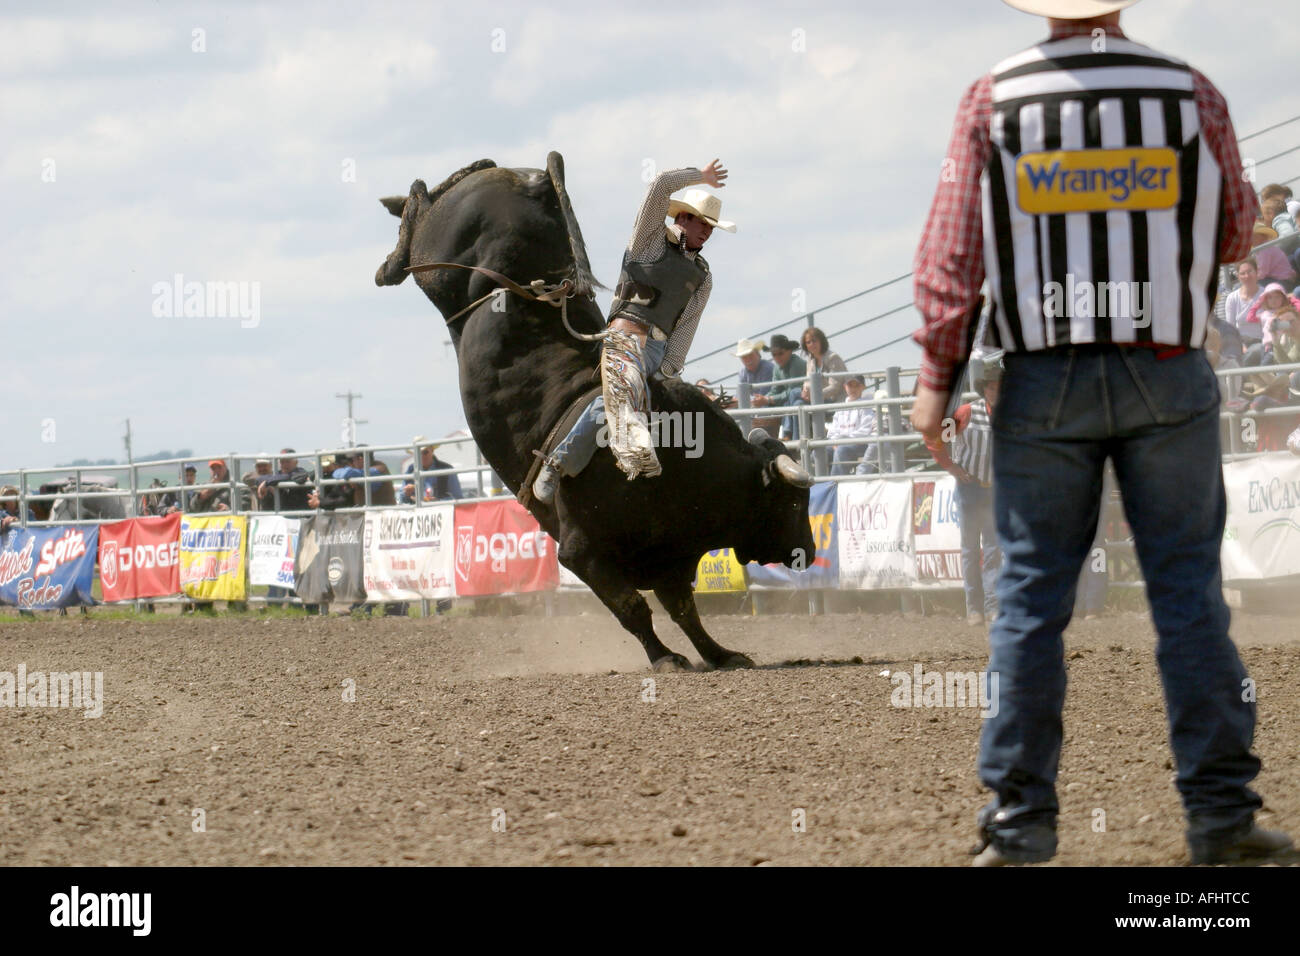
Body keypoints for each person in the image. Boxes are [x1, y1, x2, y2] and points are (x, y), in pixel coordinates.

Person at [910, 0, 1290, 866]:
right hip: (1165, 365)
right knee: (1189, 595)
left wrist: (936, 378)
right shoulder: (1190, 91)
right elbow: (1237, 225)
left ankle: (1017, 826)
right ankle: (1222, 818)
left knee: (1030, 598)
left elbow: (952, 256)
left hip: (1044, 375)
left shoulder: (990, 100)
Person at [532, 160, 732, 503]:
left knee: (648, 404)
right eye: (702, 223)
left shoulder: (702, 275)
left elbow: (686, 325)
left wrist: (669, 370)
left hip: (655, 352)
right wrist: (701, 176)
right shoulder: (648, 243)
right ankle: (557, 464)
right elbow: (658, 186)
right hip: (623, 337)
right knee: (622, 397)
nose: (707, 233)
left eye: (711, 227)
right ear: (682, 218)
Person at [923, 353, 1001, 627]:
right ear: (985, 389)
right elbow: (934, 437)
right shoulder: (967, 412)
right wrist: (952, 467)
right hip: (970, 489)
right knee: (971, 548)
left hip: (994, 490)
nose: (996, 390)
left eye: (999, 385)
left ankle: (991, 606)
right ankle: (974, 607)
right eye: (991, 386)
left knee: (992, 550)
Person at [750, 334, 807, 441]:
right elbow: (775, 390)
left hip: (804, 398)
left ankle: (788, 436)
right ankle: (767, 441)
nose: (777, 357)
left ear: (790, 351)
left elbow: (794, 390)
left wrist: (768, 399)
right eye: (774, 355)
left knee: (793, 400)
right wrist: (763, 399)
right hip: (791, 402)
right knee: (778, 404)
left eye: (780, 353)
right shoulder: (777, 367)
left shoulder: (796, 363)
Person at [827, 376, 879, 475]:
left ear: (863, 387)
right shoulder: (840, 408)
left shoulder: (867, 405)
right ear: (845, 387)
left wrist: (841, 441)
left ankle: (834, 484)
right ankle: (821, 485)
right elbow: (832, 432)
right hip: (840, 444)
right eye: (850, 385)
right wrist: (835, 442)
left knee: (841, 451)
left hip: (860, 444)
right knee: (818, 452)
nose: (853, 389)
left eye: (857, 386)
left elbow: (865, 431)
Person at [402, 438, 463, 504]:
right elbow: (401, 498)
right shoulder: (410, 471)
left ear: (432, 450)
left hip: (441, 510)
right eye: (418, 453)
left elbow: (458, 498)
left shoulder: (447, 469)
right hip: (417, 513)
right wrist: (407, 494)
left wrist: (439, 501)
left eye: (425, 452)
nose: (421, 456)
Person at [799, 327, 849, 406]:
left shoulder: (833, 358)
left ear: (821, 341)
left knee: (794, 395)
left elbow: (835, 387)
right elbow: (807, 381)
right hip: (818, 397)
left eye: (814, 341)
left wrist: (814, 395)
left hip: (834, 400)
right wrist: (805, 391)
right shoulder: (810, 359)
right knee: (797, 402)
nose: (811, 344)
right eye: (808, 342)